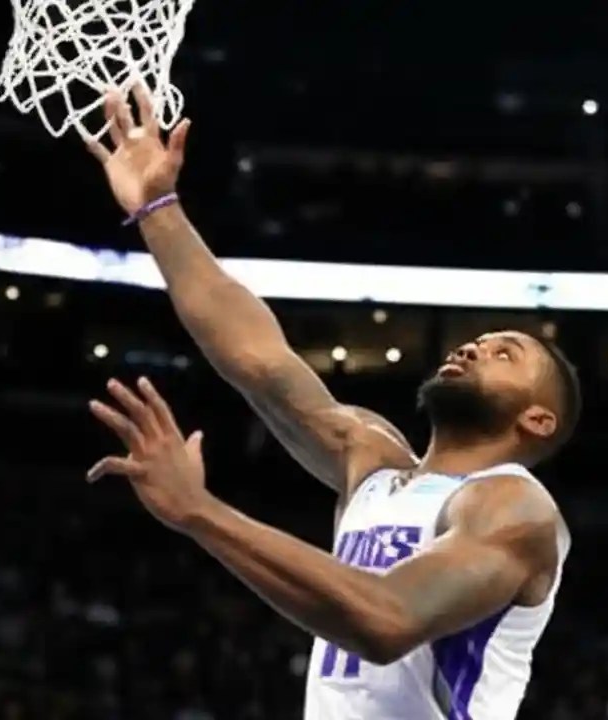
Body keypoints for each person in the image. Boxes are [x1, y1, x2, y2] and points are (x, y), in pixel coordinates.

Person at [82, 87, 580, 720]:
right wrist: (157, 208)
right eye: (479, 341)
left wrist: (201, 512)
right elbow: (257, 357)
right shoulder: (371, 461)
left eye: (506, 353)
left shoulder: (514, 504)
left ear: (536, 420)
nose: (476, 348)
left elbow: (387, 620)